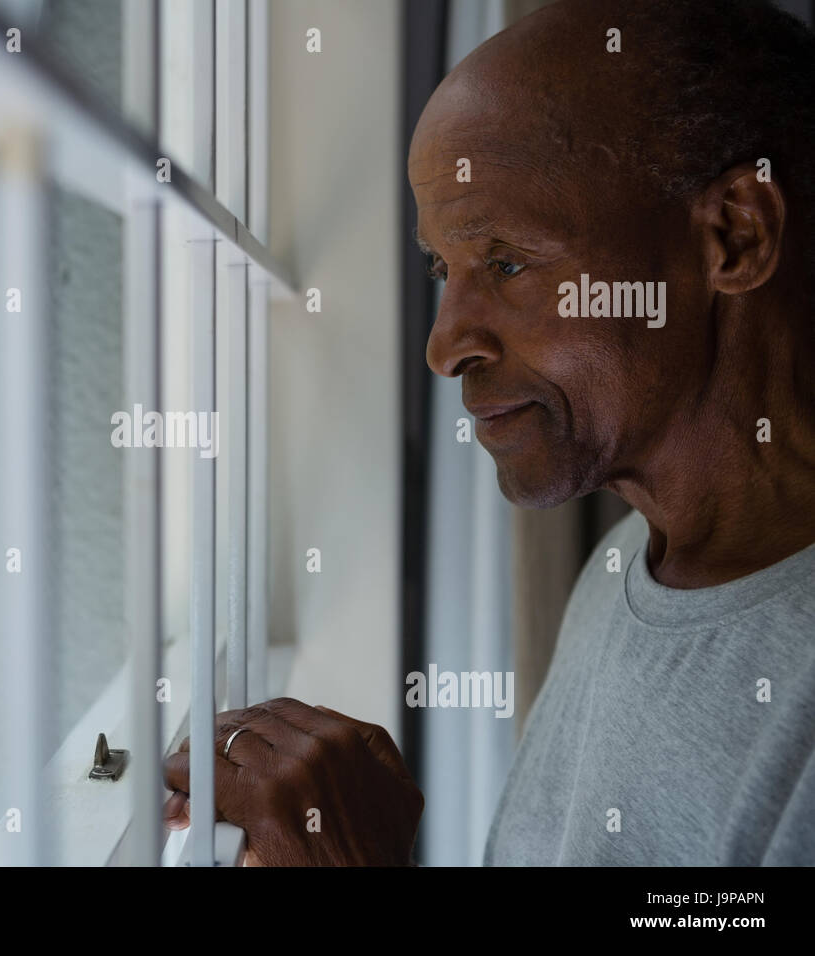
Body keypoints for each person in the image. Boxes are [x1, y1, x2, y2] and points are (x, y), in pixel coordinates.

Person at [163, 0, 815, 865]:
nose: (445, 347)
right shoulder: (622, 570)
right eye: (443, 268)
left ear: (736, 233)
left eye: (505, 262)